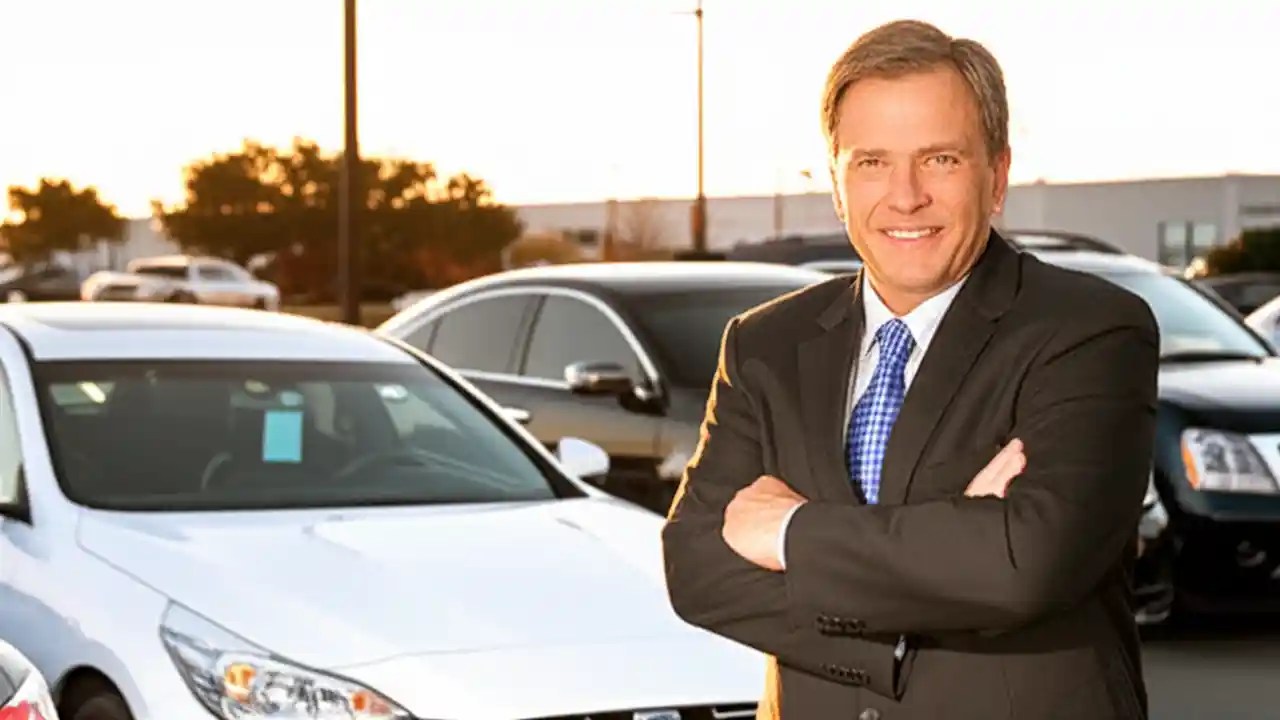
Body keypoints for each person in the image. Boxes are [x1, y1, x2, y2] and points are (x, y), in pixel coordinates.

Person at [661, 19, 1159, 720]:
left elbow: (1027, 564)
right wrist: (951, 554)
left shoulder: (1090, 330)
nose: (905, 195)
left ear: (998, 176)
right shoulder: (765, 345)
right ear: (836, 181)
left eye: (941, 159)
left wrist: (790, 533)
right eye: (870, 162)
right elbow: (698, 567)